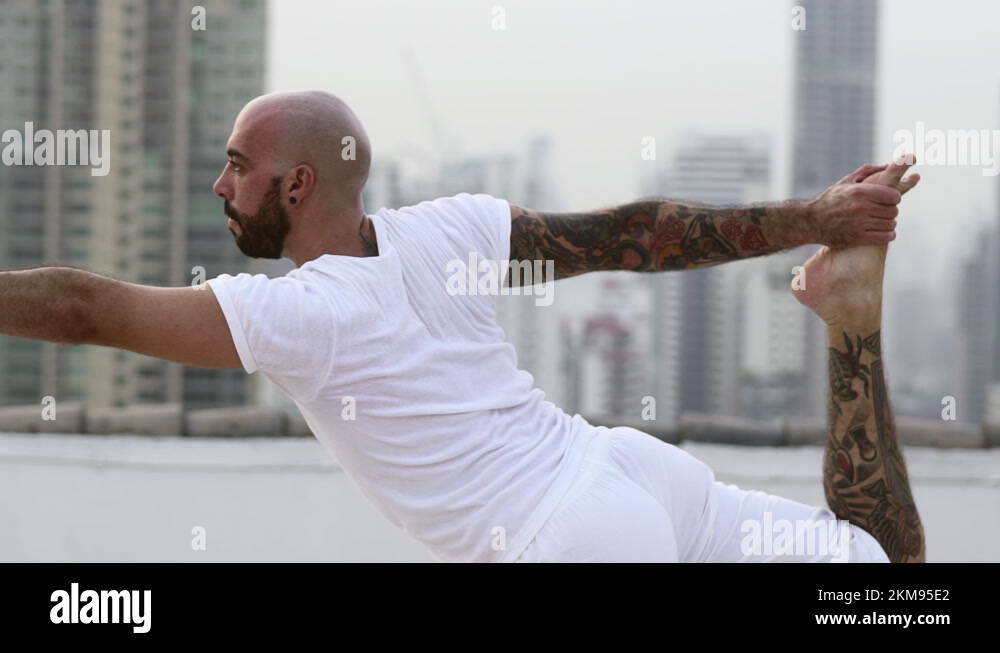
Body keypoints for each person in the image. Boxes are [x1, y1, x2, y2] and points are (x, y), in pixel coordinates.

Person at [0, 90, 923, 562]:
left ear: (297, 185)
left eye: (237, 166)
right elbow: (633, 237)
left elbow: (88, 308)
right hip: (635, 474)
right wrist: (815, 217)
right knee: (880, 573)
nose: (220, 185)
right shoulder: (451, 232)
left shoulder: (295, 316)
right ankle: (851, 321)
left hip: (565, 540)